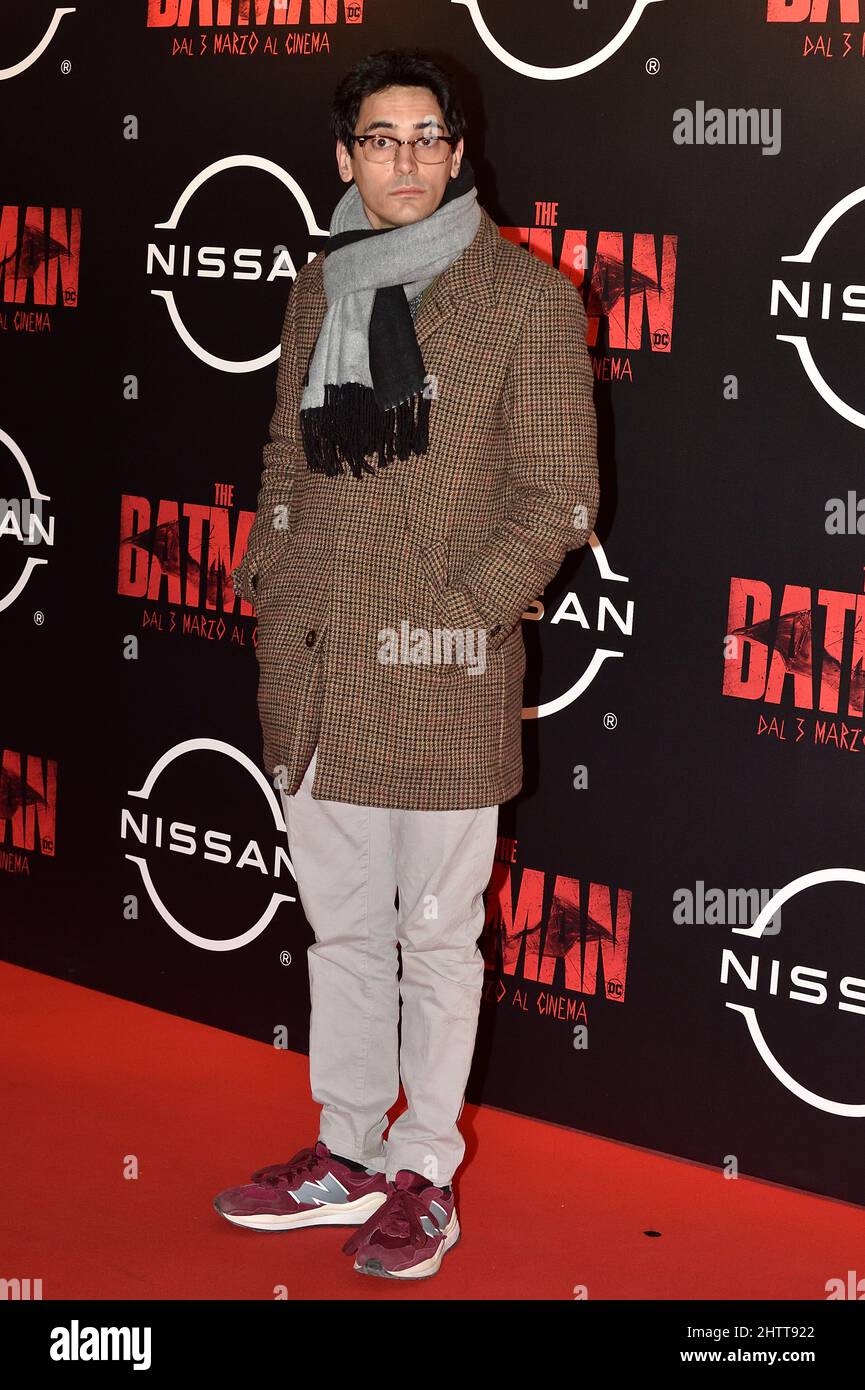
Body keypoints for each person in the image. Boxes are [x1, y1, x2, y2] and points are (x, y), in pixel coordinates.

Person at [214, 47, 599, 1281]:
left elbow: (559, 500)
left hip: (439, 667)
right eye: (380, 140)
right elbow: (284, 448)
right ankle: (345, 1145)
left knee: (437, 941)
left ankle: (422, 1171)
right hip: (317, 662)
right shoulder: (314, 289)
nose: (407, 161)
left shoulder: (525, 299)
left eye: (427, 137)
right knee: (340, 933)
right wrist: (268, 579)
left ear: (457, 148)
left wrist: (468, 616)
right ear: (344, 157)